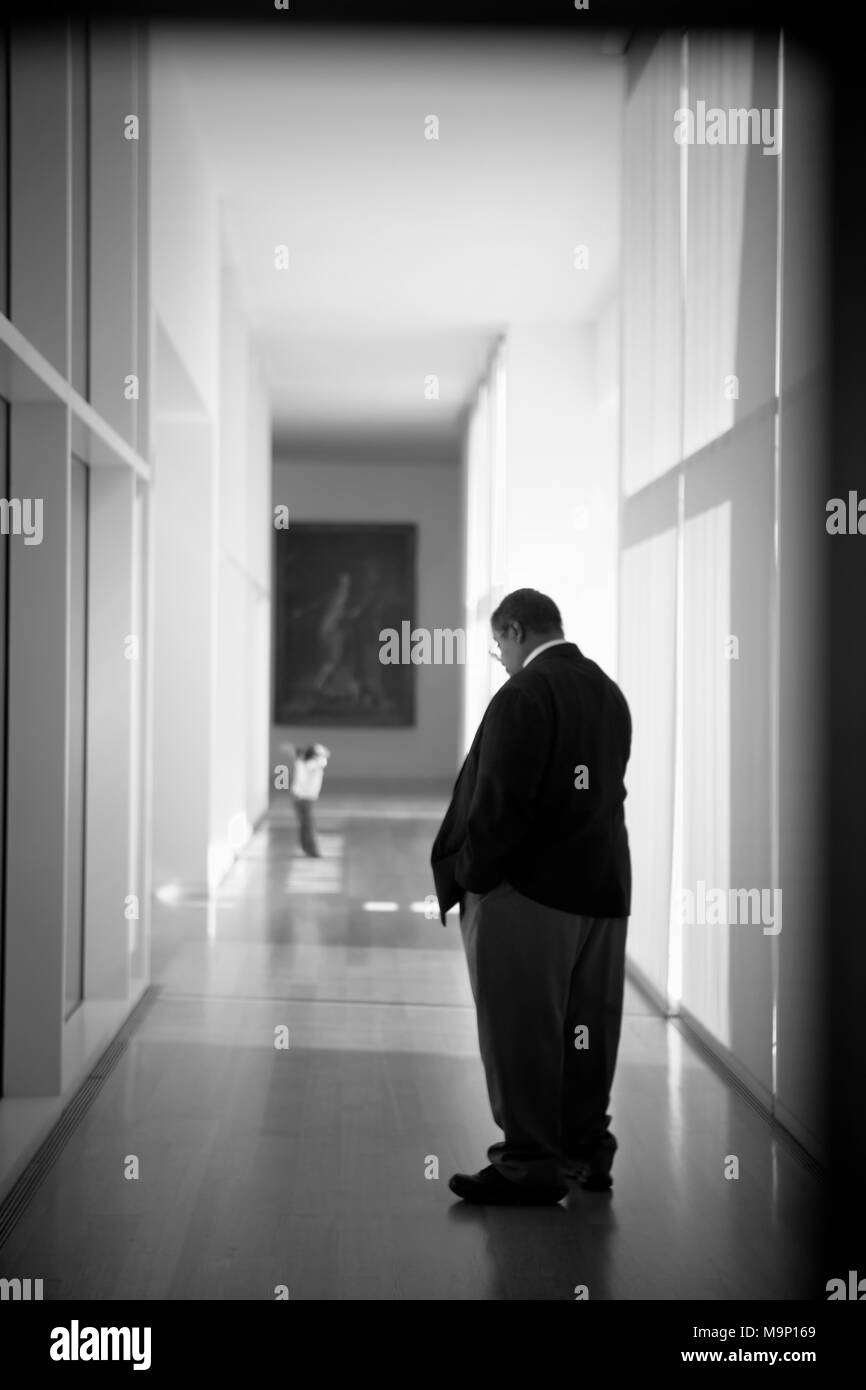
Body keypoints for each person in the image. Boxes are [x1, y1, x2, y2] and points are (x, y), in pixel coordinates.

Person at [430, 588, 632, 1206]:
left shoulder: (524, 693)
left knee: (521, 1032)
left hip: (528, 895)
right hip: (601, 891)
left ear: (515, 630)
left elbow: (500, 803)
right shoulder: (606, 690)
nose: (502, 659)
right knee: (586, 1032)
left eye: (499, 647)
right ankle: (585, 1152)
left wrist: (472, 874)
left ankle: (528, 1165)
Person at [286, 742, 330, 857]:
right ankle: (312, 850)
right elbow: (323, 760)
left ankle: (306, 848)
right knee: (309, 825)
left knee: (305, 825)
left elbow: (324, 757)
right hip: (304, 799)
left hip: (301, 798)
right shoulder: (312, 764)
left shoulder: (302, 763)